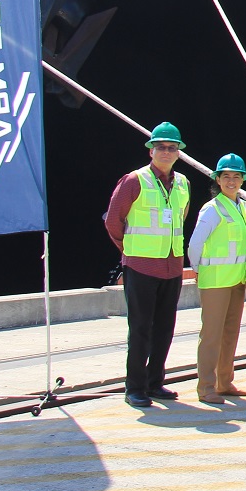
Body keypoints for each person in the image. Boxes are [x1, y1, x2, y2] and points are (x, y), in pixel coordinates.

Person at [104, 121, 190, 408]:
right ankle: (135, 387)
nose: (166, 151)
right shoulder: (134, 181)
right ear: (151, 150)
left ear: (178, 152)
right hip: (141, 267)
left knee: (165, 327)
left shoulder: (182, 183)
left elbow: (180, 220)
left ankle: (156, 383)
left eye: (171, 147)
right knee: (140, 328)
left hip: (172, 267)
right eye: (161, 147)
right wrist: (130, 250)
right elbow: (113, 220)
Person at [189, 154, 246, 406]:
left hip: (237, 280)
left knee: (230, 333)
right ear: (218, 179)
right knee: (212, 335)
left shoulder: (243, 207)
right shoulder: (212, 208)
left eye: (236, 176)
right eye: (226, 176)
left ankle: (224, 382)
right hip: (215, 281)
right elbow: (195, 243)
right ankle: (206, 387)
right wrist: (198, 269)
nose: (232, 181)